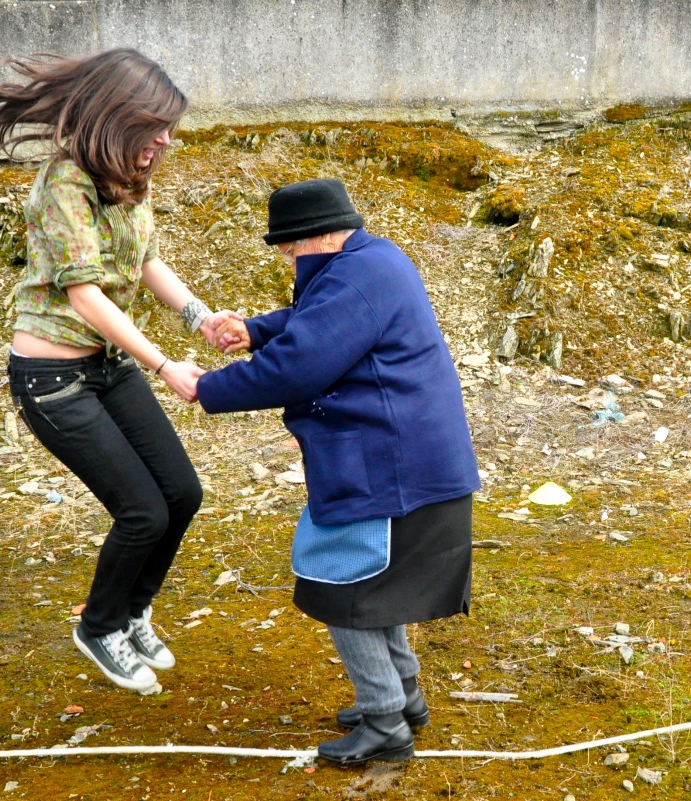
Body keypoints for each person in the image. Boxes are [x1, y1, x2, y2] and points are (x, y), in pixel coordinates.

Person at [0, 49, 233, 693]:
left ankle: (132, 613)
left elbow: (147, 261)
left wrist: (201, 318)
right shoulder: (65, 185)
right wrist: (167, 363)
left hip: (108, 367)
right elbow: (86, 296)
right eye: (156, 126)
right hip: (53, 381)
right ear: (117, 118)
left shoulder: (127, 179)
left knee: (183, 495)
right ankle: (98, 627)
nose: (166, 140)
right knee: (142, 511)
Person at [197, 178, 479, 765]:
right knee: (379, 589)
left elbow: (300, 364)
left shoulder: (354, 277)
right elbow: (321, 320)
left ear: (318, 237)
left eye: (288, 251)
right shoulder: (374, 261)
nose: (287, 260)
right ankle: (403, 697)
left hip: (387, 470)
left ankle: (384, 725)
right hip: (410, 464)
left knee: (342, 586)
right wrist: (256, 329)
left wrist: (205, 388)